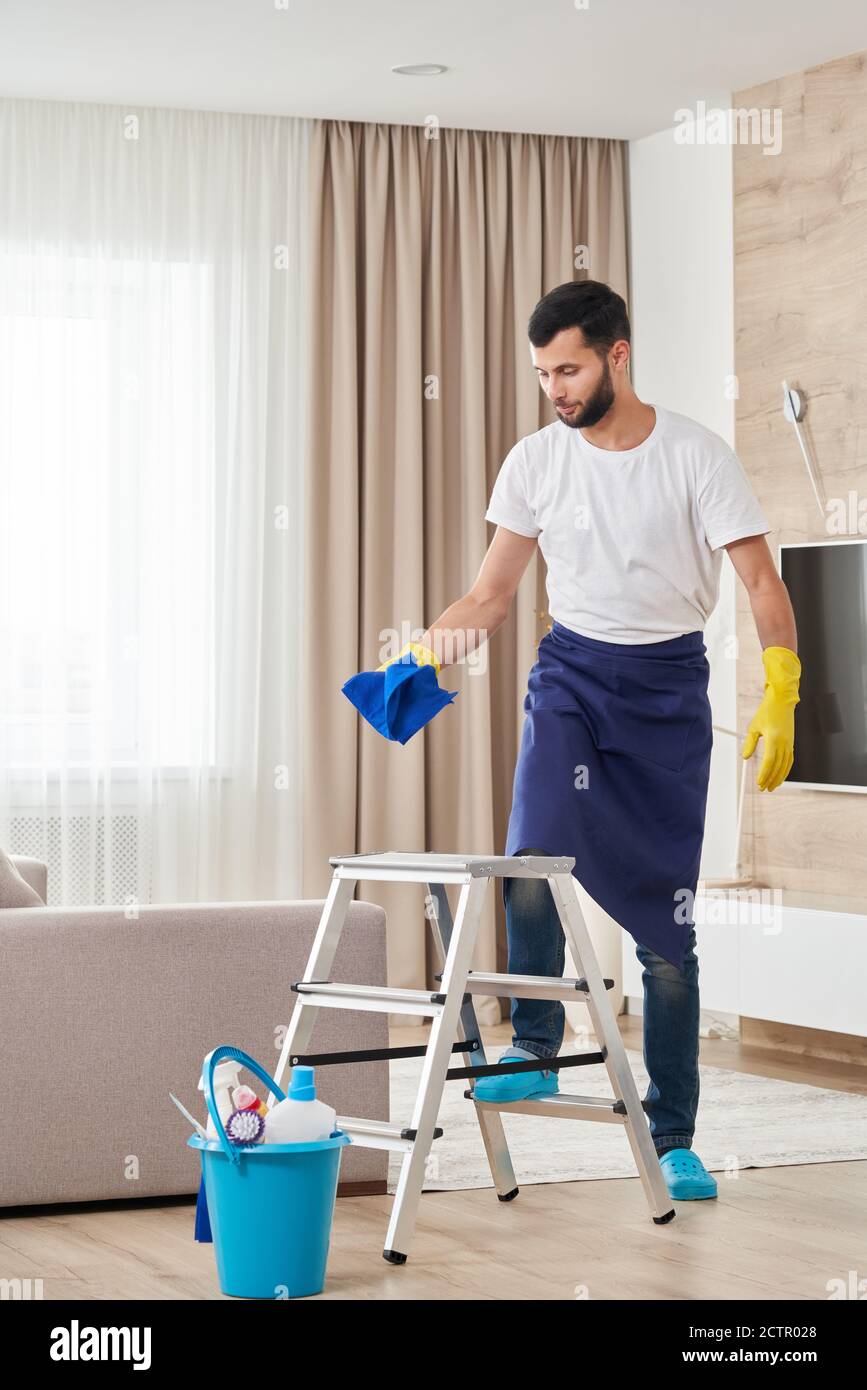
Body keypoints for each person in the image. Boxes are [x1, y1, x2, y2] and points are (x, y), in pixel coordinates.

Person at [387, 279, 801, 1201]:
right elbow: (492, 592)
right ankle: (534, 1042)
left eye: (567, 369)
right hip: (570, 672)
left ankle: (673, 1136)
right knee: (530, 848)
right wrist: (420, 657)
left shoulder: (697, 456)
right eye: (542, 374)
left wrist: (782, 686)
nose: (555, 389)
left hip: (665, 696)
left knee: (666, 931)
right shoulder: (535, 461)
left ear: (618, 354)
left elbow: (762, 584)